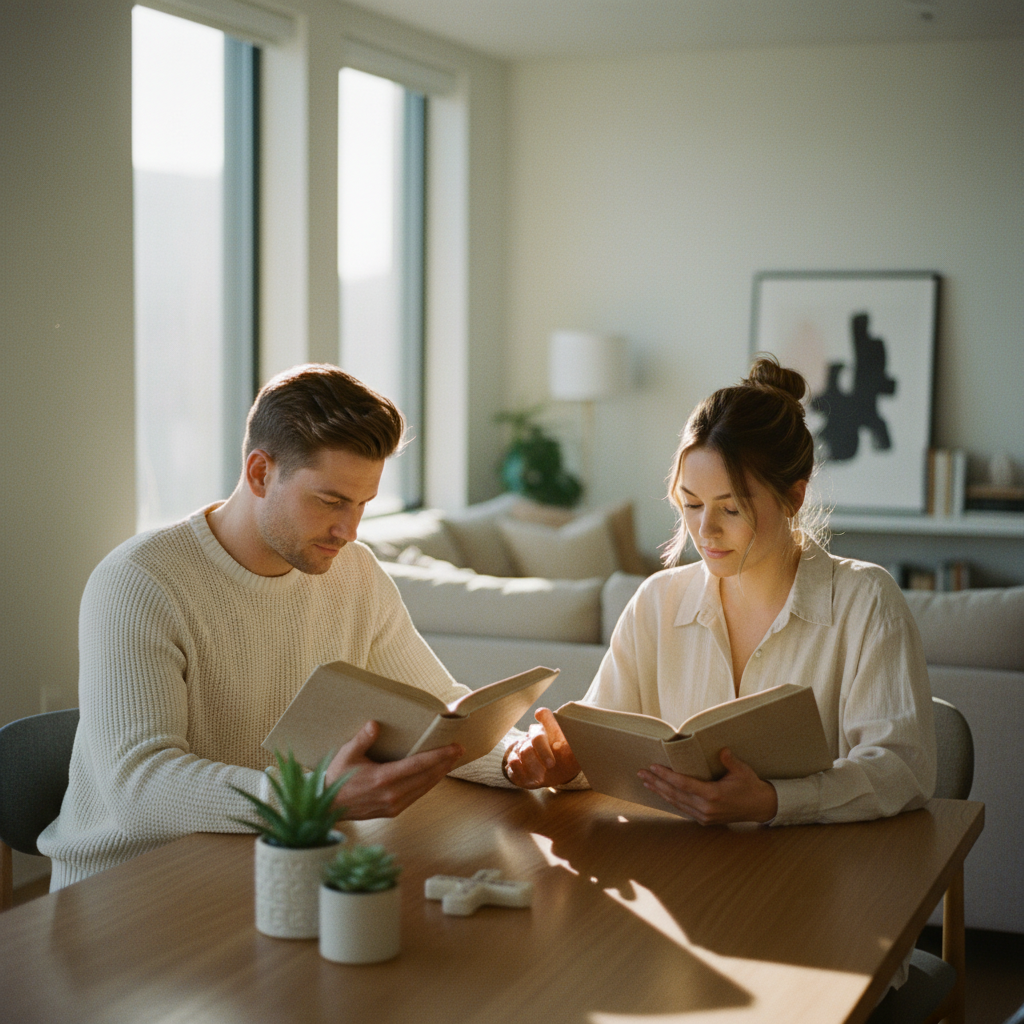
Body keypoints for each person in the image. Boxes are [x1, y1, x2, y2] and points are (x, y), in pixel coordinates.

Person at [39, 364, 508, 889]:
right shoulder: (140, 583)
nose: (349, 531)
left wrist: (519, 759)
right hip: (132, 890)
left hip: (278, 867)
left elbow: (439, 711)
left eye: (361, 505)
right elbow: (140, 789)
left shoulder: (355, 574)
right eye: (331, 501)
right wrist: (319, 797)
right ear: (260, 473)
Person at [503, 355, 937, 829]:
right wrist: (567, 764)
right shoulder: (656, 602)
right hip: (685, 871)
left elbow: (903, 770)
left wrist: (775, 800)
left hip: (820, 874)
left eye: (730, 509)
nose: (704, 530)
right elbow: (604, 746)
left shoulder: (866, 602)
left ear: (795, 496)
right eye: (691, 504)